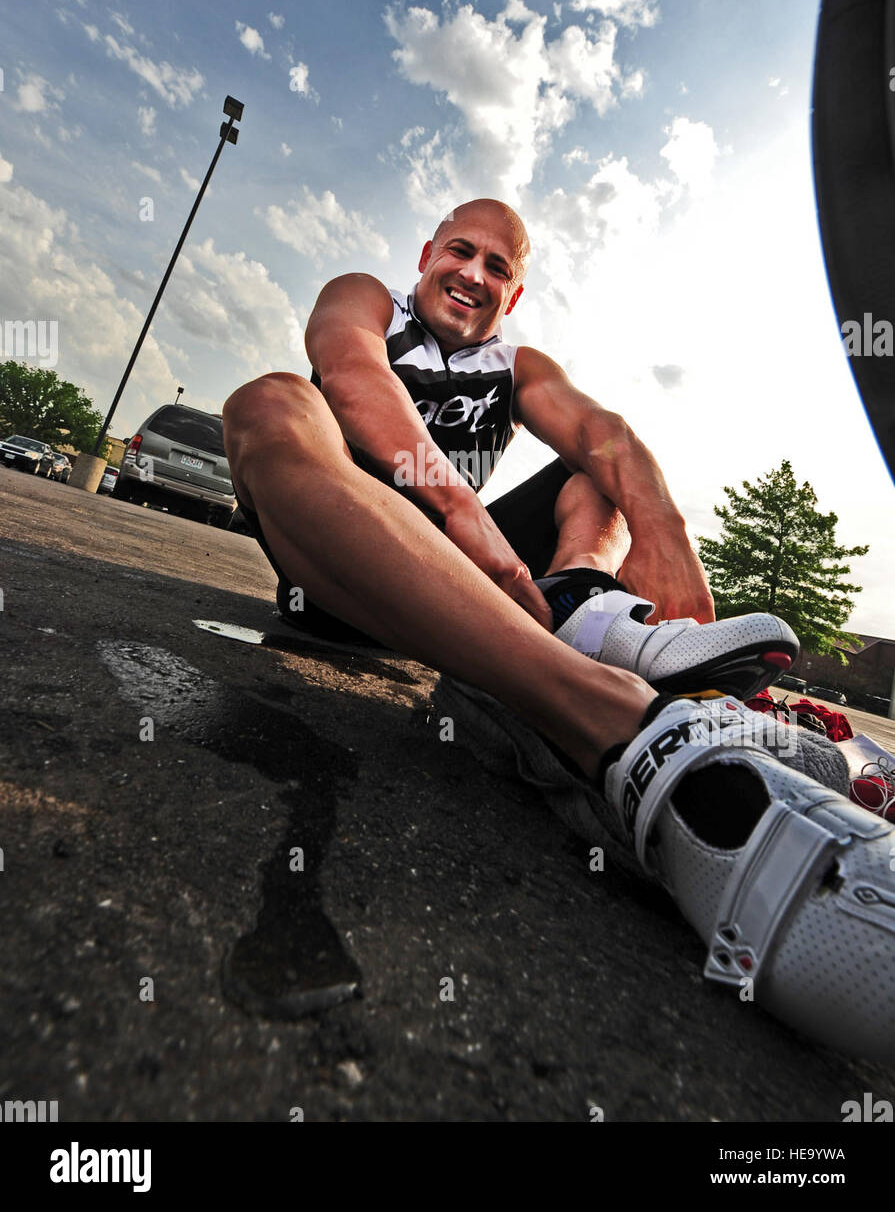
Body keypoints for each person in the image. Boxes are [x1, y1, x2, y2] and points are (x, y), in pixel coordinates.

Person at [222, 198, 895, 1064]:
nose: (472, 272)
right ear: (425, 253)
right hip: (349, 572)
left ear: (516, 290)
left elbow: (602, 433)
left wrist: (666, 537)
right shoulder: (365, 298)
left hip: (482, 587)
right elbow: (351, 376)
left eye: (497, 265)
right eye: (458, 251)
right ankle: (612, 718)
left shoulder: (517, 362)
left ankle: (585, 615)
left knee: (602, 468)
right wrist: (460, 511)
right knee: (270, 403)